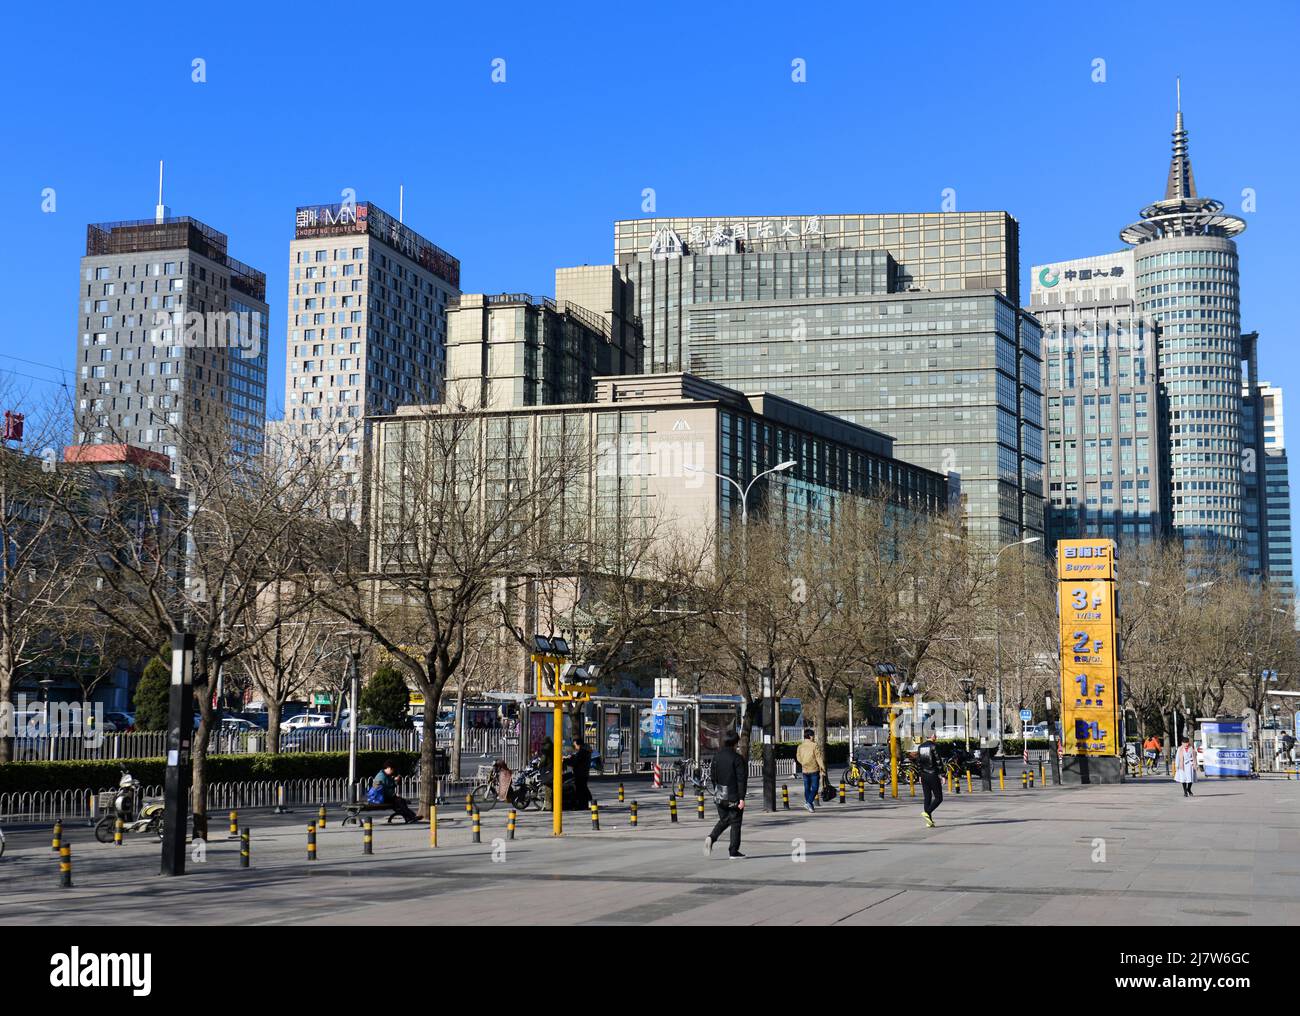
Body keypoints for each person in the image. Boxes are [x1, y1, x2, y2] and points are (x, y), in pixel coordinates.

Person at [704, 731, 747, 859]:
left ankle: (711, 838)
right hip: (733, 795)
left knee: (725, 819)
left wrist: (717, 789)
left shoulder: (716, 756)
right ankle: (733, 851)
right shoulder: (737, 758)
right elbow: (741, 780)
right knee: (736, 822)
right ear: (735, 742)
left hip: (719, 794)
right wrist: (741, 798)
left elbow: (713, 776)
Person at [795, 728, 826, 812]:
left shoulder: (800, 746)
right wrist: (823, 768)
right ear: (809, 736)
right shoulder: (814, 745)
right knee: (815, 788)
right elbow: (818, 758)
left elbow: (798, 757)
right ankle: (808, 802)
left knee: (807, 788)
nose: (814, 737)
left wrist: (803, 763)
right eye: (813, 735)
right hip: (814, 769)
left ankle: (810, 806)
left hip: (805, 770)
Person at [916, 731, 943, 828]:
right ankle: (927, 812)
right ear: (932, 736)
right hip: (933, 775)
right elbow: (938, 761)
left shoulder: (920, 747)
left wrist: (919, 775)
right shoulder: (934, 746)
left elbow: (918, 762)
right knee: (939, 798)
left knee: (927, 797)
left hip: (924, 775)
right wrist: (942, 775)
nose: (936, 736)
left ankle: (929, 821)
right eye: (935, 734)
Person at [567, 737, 592, 809]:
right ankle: (585, 804)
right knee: (583, 788)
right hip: (584, 772)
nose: (575, 747)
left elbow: (575, 762)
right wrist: (571, 757)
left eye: (575, 745)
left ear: (579, 745)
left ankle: (582, 805)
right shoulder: (585, 750)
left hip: (580, 773)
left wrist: (566, 761)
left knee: (580, 789)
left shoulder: (582, 752)